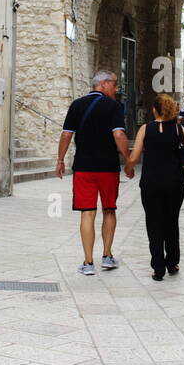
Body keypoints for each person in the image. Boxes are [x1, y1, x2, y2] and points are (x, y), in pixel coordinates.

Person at [56, 70, 131, 276]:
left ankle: (88, 262)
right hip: (107, 167)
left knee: (87, 213)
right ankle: (106, 256)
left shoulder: (77, 105)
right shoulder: (114, 107)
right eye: (115, 85)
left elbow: (66, 135)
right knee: (109, 209)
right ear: (104, 84)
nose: (116, 90)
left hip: (84, 168)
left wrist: (61, 159)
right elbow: (119, 134)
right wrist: (129, 159)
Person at [126, 94, 184, 280]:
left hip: (151, 182)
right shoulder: (178, 129)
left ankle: (158, 268)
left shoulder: (145, 129)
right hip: (174, 182)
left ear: (156, 110)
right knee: (171, 221)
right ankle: (172, 262)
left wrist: (128, 169)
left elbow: (134, 158)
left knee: (154, 223)